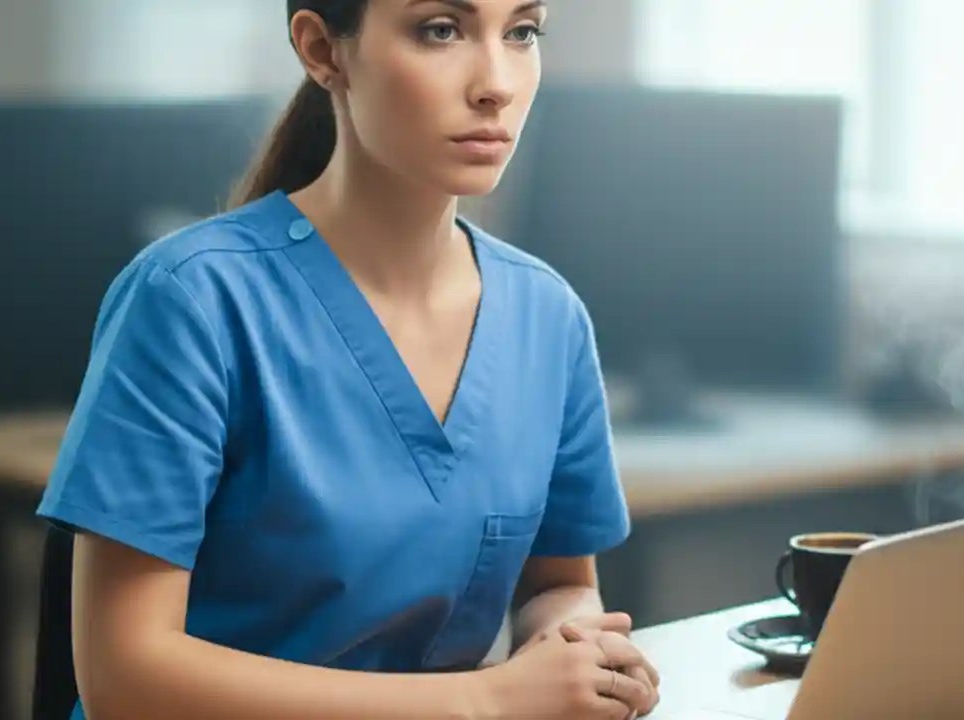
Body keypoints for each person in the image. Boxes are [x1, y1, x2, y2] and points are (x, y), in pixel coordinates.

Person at [35, 1, 661, 718]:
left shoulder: (548, 317)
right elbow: (126, 678)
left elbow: (559, 583)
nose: (497, 83)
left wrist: (574, 653)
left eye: (522, 33)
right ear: (322, 50)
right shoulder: (189, 300)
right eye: (441, 30)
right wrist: (488, 701)